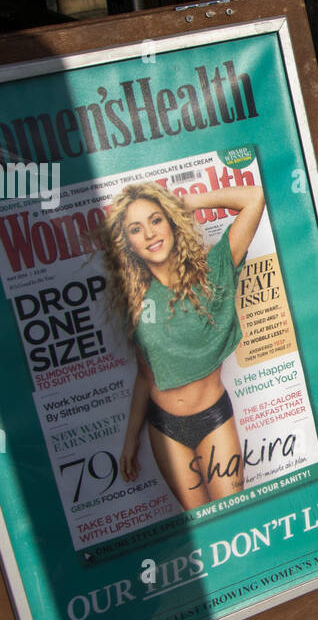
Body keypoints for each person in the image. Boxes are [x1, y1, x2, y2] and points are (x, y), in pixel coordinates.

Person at [100, 180, 265, 510]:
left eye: (156, 220)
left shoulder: (215, 268)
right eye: (136, 228)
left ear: (171, 221)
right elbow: (147, 376)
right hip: (163, 426)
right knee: (201, 523)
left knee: (233, 515)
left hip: (213, 417)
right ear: (128, 242)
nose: (149, 234)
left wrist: (186, 202)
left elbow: (255, 197)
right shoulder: (136, 300)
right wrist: (131, 438)